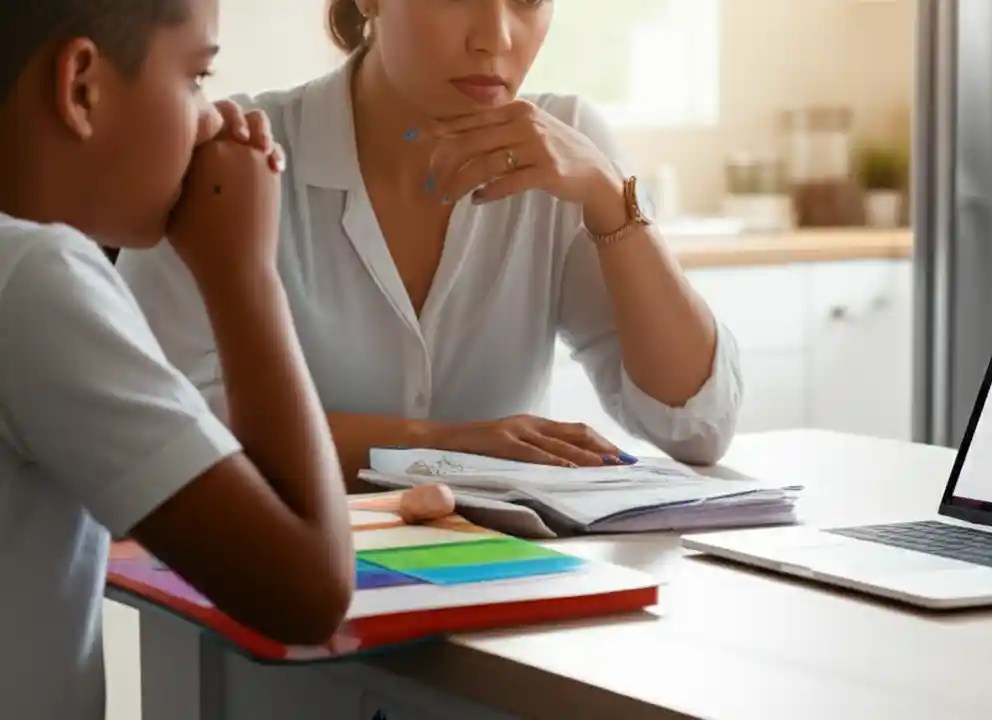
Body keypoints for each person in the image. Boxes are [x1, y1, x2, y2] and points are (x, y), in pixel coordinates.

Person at [0, 1, 449, 715]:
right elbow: (306, 593)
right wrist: (243, 274)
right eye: (196, 77)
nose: (211, 120)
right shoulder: (34, 279)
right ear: (81, 87)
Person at [116, 0, 744, 486]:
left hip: (506, 598)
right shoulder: (231, 155)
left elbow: (696, 426)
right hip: (276, 604)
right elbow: (163, 424)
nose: (495, 37)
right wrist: (437, 444)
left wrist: (612, 198)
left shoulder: (570, 145)